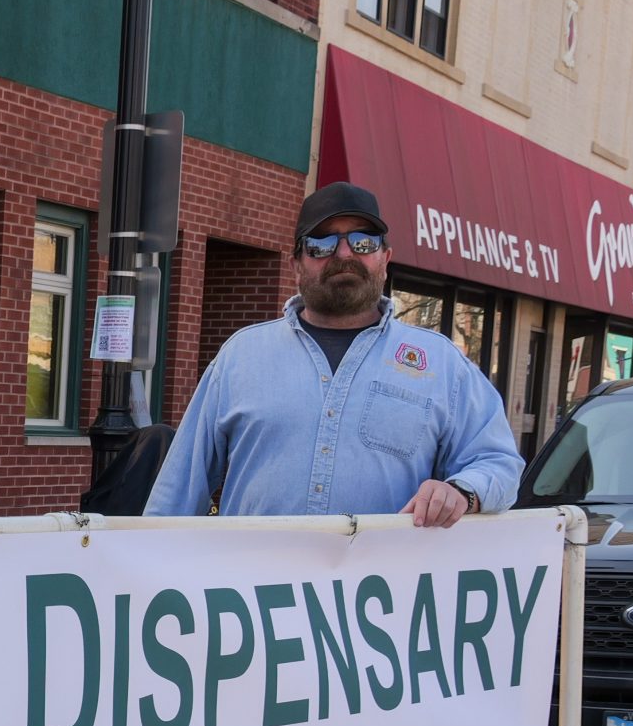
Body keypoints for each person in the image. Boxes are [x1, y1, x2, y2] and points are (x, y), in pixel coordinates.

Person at [145, 183, 523, 526]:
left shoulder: (441, 364)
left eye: (363, 242)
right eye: (321, 244)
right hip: (255, 594)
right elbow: (178, 489)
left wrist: (461, 491)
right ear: (296, 264)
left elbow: (498, 462)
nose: (343, 254)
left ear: (385, 258)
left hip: (381, 596)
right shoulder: (240, 356)